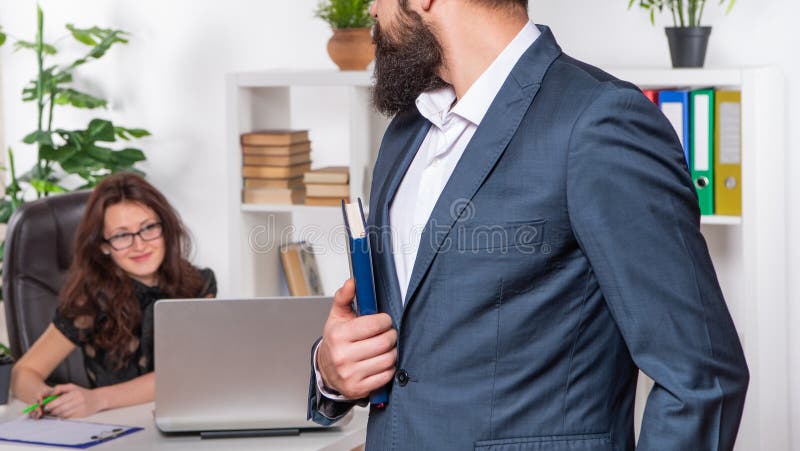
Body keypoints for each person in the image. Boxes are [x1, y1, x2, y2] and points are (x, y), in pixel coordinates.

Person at [308, 1, 749, 450]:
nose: (372, 9)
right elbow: (415, 349)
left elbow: (703, 379)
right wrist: (332, 371)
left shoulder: (599, 120)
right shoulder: (406, 130)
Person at [11, 173, 216, 419]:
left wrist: (98, 399)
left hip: (181, 421)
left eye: (148, 228)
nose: (139, 245)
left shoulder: (198, 285)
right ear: (104, 245)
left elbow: (186, 371)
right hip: (113, 429)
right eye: (121, 236)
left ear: (165, 228)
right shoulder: (89, 299)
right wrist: (46, 396)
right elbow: (23, 372)